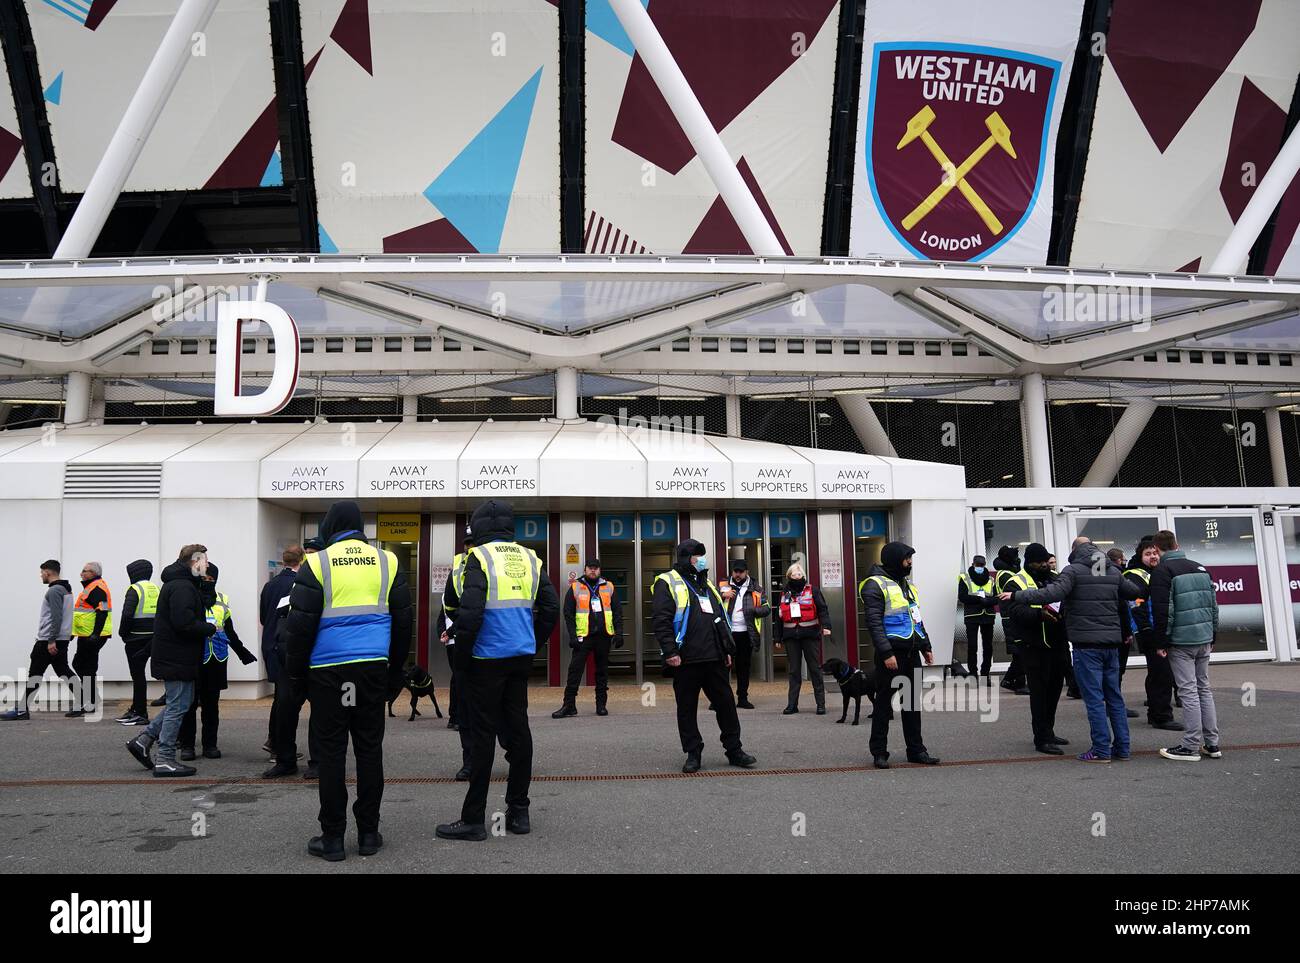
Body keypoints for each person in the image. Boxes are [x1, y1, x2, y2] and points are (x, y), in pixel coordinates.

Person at [283, 501, 412, 861]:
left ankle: (333, 838)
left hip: (330, 672)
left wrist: (296, 677)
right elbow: (404, 622)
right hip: (373, 667)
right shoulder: (387, 561)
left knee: (332, 753)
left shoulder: (318, 563)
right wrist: (395, 671)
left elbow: (299, 628)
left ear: (330, 527)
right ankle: (369, 834)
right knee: (370, 750)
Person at [436, 500, 559, 841]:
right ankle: (519, 812)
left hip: (484, 660)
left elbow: (470, 611)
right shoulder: (529, 558)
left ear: (479, 528)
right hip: (518, 658)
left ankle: (474, 819)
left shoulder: (477, 558)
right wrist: (532, 642)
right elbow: (550, 607)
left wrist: (461, 659)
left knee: (482, 736)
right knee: (518, 733)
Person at [1001, 536, 1140, 763]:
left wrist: (1019, 596)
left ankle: (1101, 750)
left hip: (1081, 644)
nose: (1046, 564)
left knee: (1092, 697)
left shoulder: (1071, 572)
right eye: (1041, 561)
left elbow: (1052, 595)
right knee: (1112, 697)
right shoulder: (1111, 572)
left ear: (1075, 551)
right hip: (1047, 645)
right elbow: (1132, 593)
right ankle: (1120, 747)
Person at [650, 538, 756, 774]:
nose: (703, 559)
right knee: (687, 708)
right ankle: (693, 752)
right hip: (685, 659)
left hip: (714, 657)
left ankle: (734, 750)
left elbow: (719, 618)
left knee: (726, 705)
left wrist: (727, 649)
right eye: (699, 555)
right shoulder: (667, 582)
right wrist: (670, 652)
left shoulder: (706, 584)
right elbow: (661, 620)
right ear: (689, 558)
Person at [125, 545, 217, 776]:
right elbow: (183, 623)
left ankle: (144, 739)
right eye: (204, 561)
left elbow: (200, 605)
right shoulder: (182, 587)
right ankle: (165, 758)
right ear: (195, 561)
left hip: (177, 655)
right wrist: (209, 628)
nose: (207, 565)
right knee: (178, 706)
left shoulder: (183, 584)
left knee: (182, 703)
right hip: (176, 656)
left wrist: (205, 586)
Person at [859, 542, 939, 768]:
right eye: (907, 559)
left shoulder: (907, 586)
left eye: (911, 559)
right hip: (891, 655)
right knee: (884, 704)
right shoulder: (874, 585)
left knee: (912, 704)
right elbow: (874, 623)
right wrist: (886, 653)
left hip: (912, 652)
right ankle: (879, 753)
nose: (910, 563)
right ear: (895, 559)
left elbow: (917, 619)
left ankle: (916, 750)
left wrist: (926, 646)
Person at [1149, 530, 1221, 761]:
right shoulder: (1200, 568)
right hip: (1203, 638)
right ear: (1177, 544)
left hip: (1181, 641)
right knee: (1203, 689)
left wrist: (1160, 641)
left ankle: (1190, 745)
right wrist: (1213, 634)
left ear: (1157, 549)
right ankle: (1212, 743)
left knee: (1188, 691)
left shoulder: (1162, 571)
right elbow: (1213, 606)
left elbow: (1162, 610)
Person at [177, 563, 256, 760]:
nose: (207, 582)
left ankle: (210, 745)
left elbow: (228, 629)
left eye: (211, 579)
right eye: (204, 579)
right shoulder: (189, 597)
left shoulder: (222, 599)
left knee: (212, 705)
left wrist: (242, 651)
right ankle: (187, 746)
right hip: (194, 658)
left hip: (217, 658)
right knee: (189, 704)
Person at [261, 545, 322, 779]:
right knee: (286, 710)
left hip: (312, 656)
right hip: (291, 655)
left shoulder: (320, 587)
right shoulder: (291, 589)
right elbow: (280, 621)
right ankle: (286, 760)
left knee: (317, 711)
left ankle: (315, 762)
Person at [1004, 544, 1070, 754]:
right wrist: (1039, 614)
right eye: (1039, 562)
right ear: (1028, 562)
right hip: (1033, 645)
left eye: (1045, 561)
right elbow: (1014, 611)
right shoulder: (1016, 581)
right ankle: (1041, 738)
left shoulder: (1054, 578)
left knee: (1054, 689)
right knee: (1040, 693)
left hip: (1057, 642)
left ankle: (1049, 731)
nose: (1043, 565)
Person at [2, 561, 75, 721]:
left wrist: (50, 640)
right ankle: (87, 701)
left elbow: (57, 617)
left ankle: (21, 710)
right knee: (63, 671)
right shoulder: (66, 590)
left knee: (35, 674)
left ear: (48, 573)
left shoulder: (55, 591)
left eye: (42, 572)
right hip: (61, 639)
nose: (41, 575)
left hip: (48, 640)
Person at [553, 559, 623, 718]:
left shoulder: (609, 586)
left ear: (600, 570)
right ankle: (569, 705)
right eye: (590, 568)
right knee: (574, 671)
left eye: (596, 568)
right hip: (583, 637)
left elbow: (618, 612)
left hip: (604, 636)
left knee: (602, 672)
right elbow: (568, 614)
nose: (593, 571)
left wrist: (619, 633)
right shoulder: (576, 587)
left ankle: (601, 705)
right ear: (585, 570)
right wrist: (572, 636)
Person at [1124, 539, 1180, 732]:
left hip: (1162, 629)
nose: (1153, 556)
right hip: (1149, 631)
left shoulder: (1161, 572)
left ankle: (1156, 712)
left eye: (1155, 553)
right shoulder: (1134, 575)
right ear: (1140, 557)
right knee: (1161, 674)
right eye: (1148, 554)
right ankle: (1161, 717)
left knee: (1159, 673)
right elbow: (1137, 605)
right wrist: (1147, 630)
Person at [438, 533, 475, 780]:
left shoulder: (466, 572)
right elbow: (446, 608)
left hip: (469, 637)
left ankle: (473, 761)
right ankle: (456, 718)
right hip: (460, 639)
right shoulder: (456, 574)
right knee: (460, 685)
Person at [772, 562, 830, 715]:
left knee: (815, 669)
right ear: (789, 577)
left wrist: (826, 626)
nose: (797, 577)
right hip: (791, 636)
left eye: (799, 574)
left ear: (803, 575)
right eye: (794, 575)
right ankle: (792, 705)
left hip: (810, 635)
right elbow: (778, 618)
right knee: (794, 671)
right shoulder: (784, 593)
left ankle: (821, 704)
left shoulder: (813, 591)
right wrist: (777, 637)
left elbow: (823, 609)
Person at [719, 559, 768, 709]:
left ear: (747, 572)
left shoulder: (756, 588)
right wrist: (722, 596)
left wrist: (753, 610)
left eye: (741, 571)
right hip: (727, 633)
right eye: (735, 571)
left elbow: (766, 609)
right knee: (721, 668)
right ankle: (720, 699)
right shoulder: (722, 586)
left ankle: (742, 698)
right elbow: (711, 606)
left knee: (743, 667)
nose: (738, 574)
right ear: (732, 572)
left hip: (746, 634)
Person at [115, 560, 158, 726]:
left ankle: (140, 712)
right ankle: (136, 708)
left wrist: (123, 634)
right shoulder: (156, 588)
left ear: (134, 573)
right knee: (147, 676)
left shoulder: (135, 589)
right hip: (154, 638)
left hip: (135, 639)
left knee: (138, 676)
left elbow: (127, 615)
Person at [67, 561, 112, 718]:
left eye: (84, 571)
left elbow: (102, 612)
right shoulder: (91, 587)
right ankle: (93, 699)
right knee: (86, 666)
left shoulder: (97, 588)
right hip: (86, 635)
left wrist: (95, 634)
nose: (81, 573)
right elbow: (82, 614)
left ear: (93, 573)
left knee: (83, 666)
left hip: (92, 636)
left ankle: (90, 702)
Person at [993, 546, 1030, 694]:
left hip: (1010, 614)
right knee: (1019, 652)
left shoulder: (1004, 572)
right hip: (1011, 615)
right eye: (1014, 556)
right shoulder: (1006, 575)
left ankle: (1010, 680)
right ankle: (1018, 683)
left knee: (1019, 652)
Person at [957, 554, 996, 679]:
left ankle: (985, 674)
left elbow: (996, 597)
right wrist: (979, 599)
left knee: (988, 646)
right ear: (973, 564)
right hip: (972, 615)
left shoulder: (990, 579)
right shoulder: (965, 578)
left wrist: (988, 601)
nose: (980, 567)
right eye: (978, 565)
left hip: (988, 615)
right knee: (972, 646)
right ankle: (973, 674)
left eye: (982, 565)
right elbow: (962, 597)